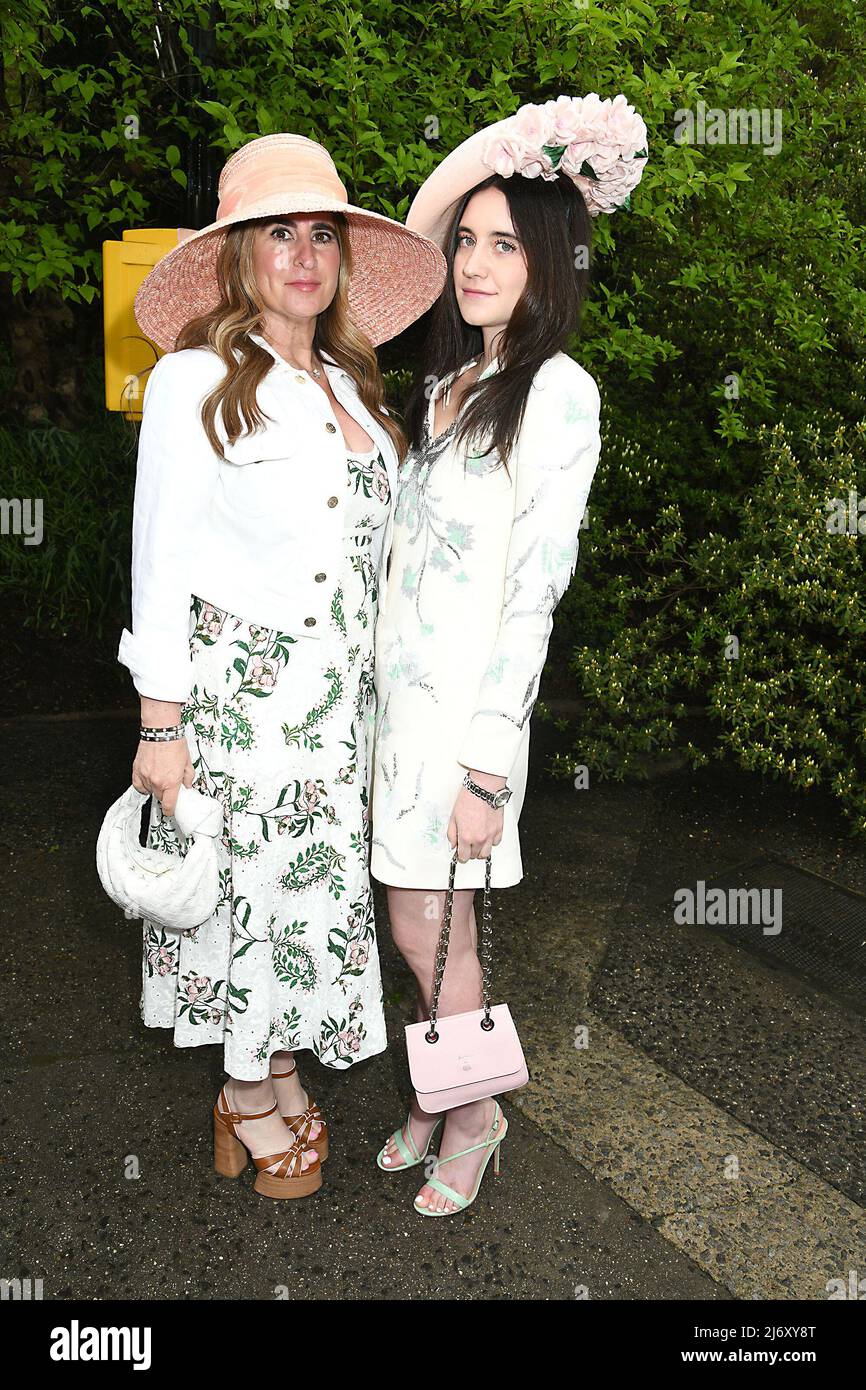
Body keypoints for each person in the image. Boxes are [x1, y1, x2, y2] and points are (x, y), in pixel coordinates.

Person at [119, 133, 445, 1199]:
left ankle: (270, 1072)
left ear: (343, 257)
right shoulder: (193, 380)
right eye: (276, 233)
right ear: (238, 254)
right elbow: (158, 561)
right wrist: (160, 724)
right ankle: (248, 1093)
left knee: (303, 908)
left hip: (338, 710)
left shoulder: (356, 389)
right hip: (239, 703)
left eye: (321, 233)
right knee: (244, 900)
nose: (301, 254)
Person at [370, 94, 647, 1214]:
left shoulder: (556, 394)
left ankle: (475, 1114)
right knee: (437, 925)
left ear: (547, 265)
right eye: (466, 242)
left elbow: (534, 592)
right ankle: (444, 1091)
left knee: (421, 920)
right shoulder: (445, 388)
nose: (477, 264)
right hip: (398, 715)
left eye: (503, 245)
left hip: (465, 728)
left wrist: (489, 763)